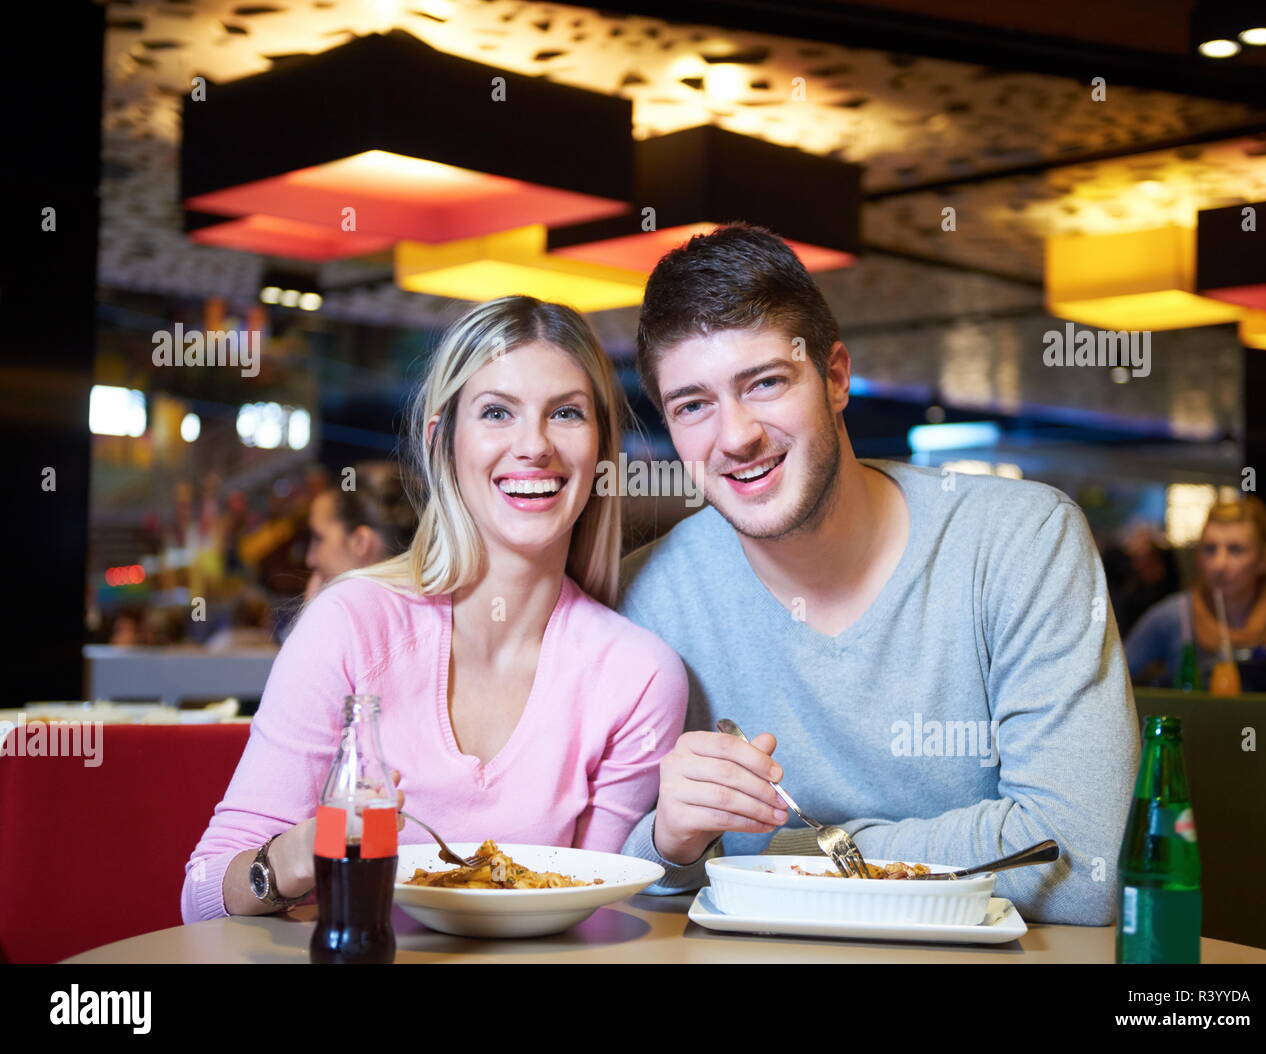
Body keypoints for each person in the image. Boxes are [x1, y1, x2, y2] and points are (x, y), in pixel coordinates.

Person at [616, 223, 1139, 926]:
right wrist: (673, 843)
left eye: (765, 383)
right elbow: (617, 874)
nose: (735, 436)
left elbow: (1080, 864)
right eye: (693, 405)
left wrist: (791, 850)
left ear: (834, 378)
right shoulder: (649, 594)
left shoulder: (1020, 541)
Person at [182, 296, 688, 923]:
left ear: (600, 452)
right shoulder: (351, 625)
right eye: (497, 412)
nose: (533, 445)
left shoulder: (638, 675)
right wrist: (290, 860)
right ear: (441, 441)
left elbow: (599, 915)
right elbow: (202, 900)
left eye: (565, 414)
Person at [1125, 496, 1266, 688]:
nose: (1219, 564)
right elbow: (1109, 679)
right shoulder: (1171, 619)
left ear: (1263, 560)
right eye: (1210, 549)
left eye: (1236, 550)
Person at [302, 463, 418, 603]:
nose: (310, 560)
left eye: (319, 539)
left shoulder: (341, 618)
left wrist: (316, 613)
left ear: (360, 542)